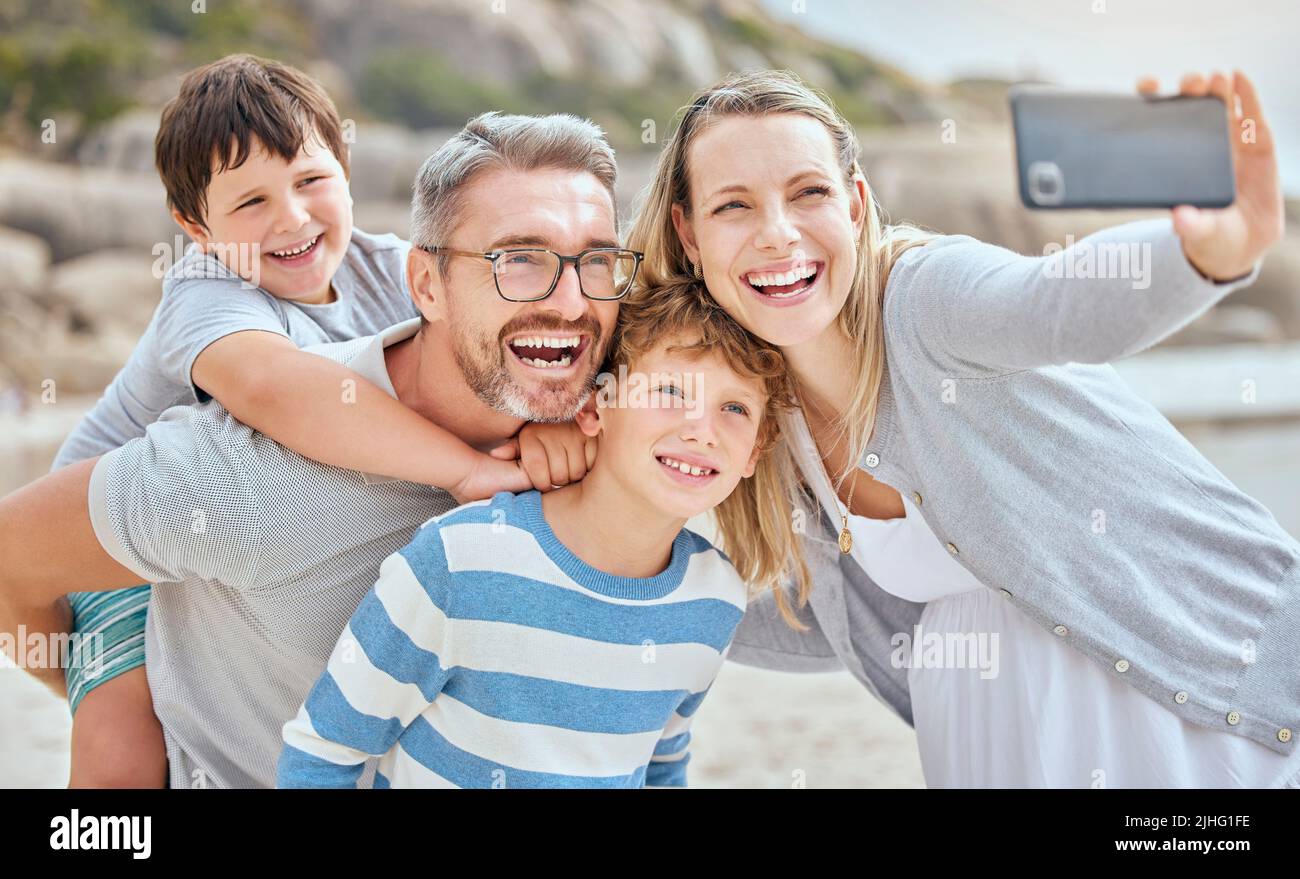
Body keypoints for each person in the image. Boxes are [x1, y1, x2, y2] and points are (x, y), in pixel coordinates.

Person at [627, 67, 1300, 787]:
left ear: (855, 205)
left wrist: (1208, 253)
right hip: (1000, 749)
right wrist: (623, 591)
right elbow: (834, 620)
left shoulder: (925, 303)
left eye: (808, 192)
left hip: (1190, 725)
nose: (778, 233)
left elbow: (1057, 299)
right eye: (734, 206)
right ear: (688, 233)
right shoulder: (765, 412)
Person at [0, 109, 631, 788]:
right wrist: (96, 670)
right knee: (117, 753)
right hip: (117, 571)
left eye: (596, 261)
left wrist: (560, 408)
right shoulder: (229, 409)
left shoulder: (594, 419)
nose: (570, 301)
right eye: (519, 259)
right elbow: (269, 386)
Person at [277, 281, 805, 787]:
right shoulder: (461, 563)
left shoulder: (714, 600)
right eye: (670, 390)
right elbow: (325, 753)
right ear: (596, 409)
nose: (701, 429)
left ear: (755, 450)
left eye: (735, 408)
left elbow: (660, 764)